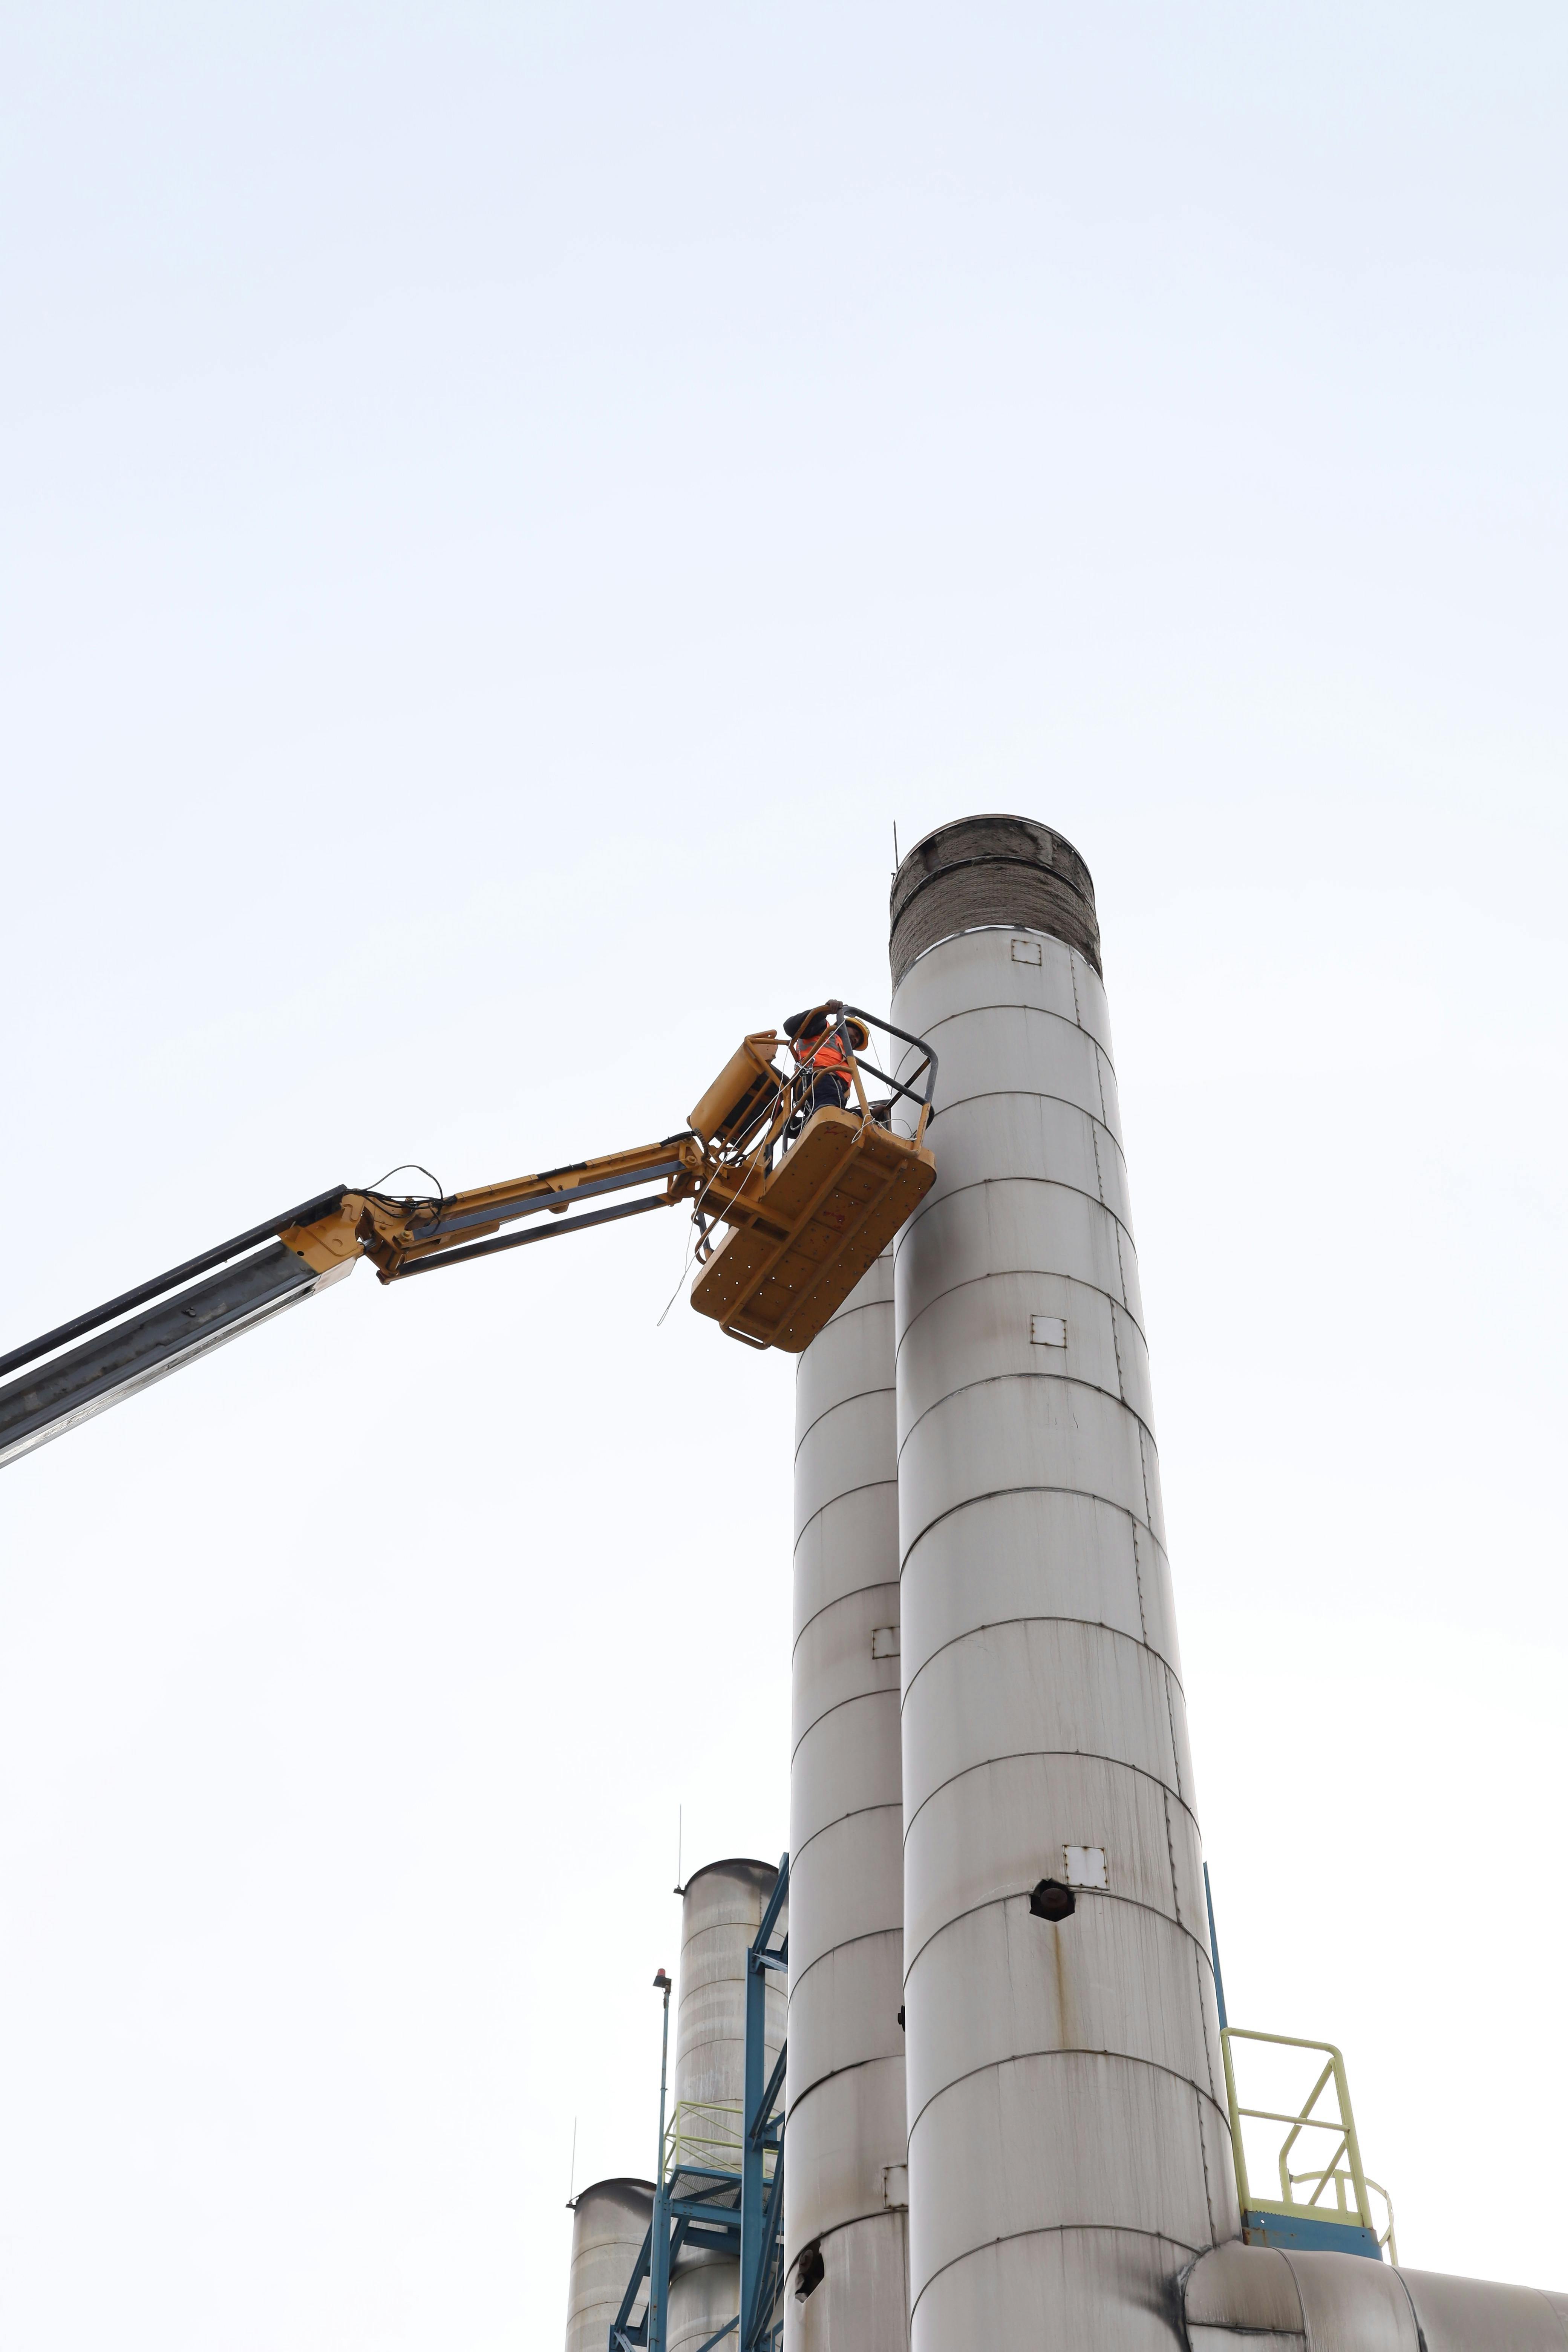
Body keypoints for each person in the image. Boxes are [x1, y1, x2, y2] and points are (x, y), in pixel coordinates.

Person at [783, 1002, 870, 1116]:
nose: (857, 1040)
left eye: (859, 1041)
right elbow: (790, 1027)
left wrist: (869, 1114)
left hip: (831, 1094)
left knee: (835, 1115)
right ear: (843, 1024)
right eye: (856, 1033)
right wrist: (823, 1012)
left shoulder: (849, 1060)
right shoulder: (823, 1029)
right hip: (816, 1080)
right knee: (830, 1113)